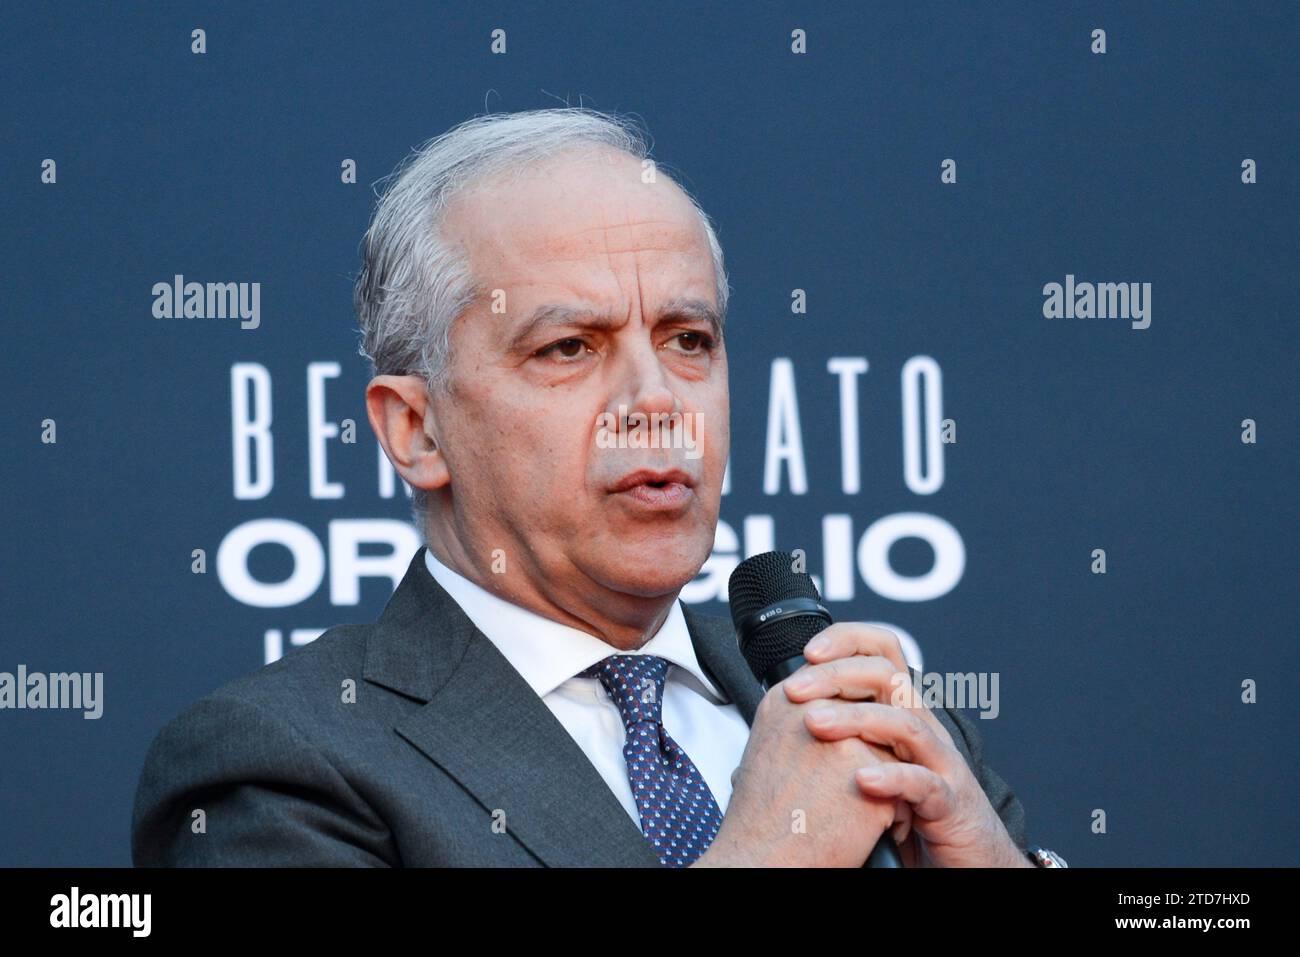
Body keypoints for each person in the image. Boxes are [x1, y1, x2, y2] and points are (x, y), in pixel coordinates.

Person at [132, 108, 1043, 867]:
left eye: (690, 339)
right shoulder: (279, 768)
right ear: (415, 429)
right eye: (568, 347)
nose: (657, 401)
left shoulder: (858, 710)